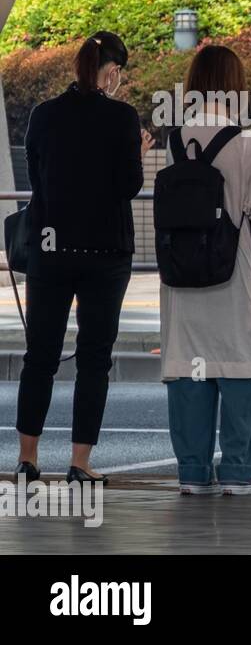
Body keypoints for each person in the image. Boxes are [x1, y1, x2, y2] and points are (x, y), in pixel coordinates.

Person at [14, 31, 150, 484]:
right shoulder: (122, 119)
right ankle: (79, 463)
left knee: (41, 356)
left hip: (50, 250)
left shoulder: (44, 114)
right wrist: (138, 152)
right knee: (94, 358)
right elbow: (127, 186)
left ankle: (27, 459)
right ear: (110, 72)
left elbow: (38, 178)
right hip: (105, 251)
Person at [160, 46, 251, 496]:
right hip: (235, 277)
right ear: (235, 83)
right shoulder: (247, 143)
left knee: (190, 369)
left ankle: (192, 473)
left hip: (182, 277)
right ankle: (236, 471)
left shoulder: (174, 141)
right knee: (240, 366)